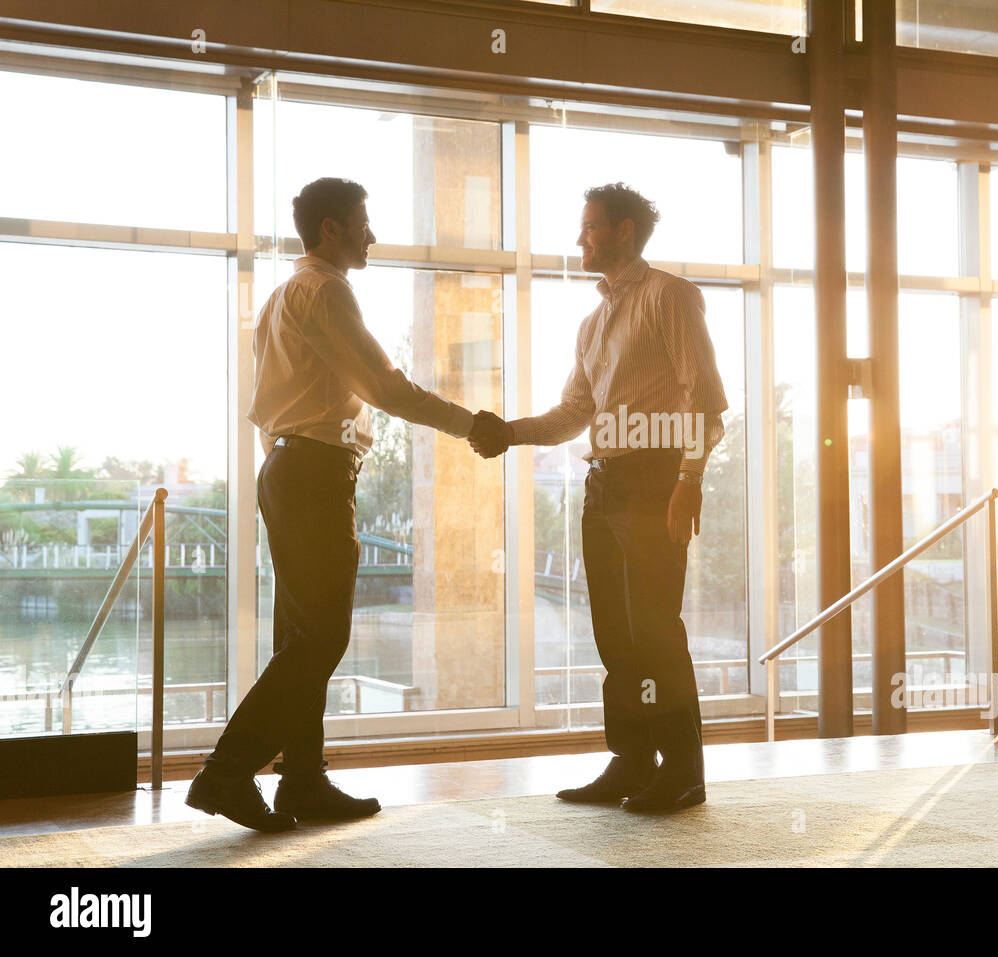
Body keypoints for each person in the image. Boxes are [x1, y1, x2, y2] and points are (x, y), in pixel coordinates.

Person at [186, 177, 498, 832]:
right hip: (315, 472)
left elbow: (267, 400)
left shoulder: (279, 296)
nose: (371, 234)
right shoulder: (326, 290)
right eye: (362, 222)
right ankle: (227, 770)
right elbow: (384, 386)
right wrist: (471, 423)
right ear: (331, 228)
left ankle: (301, 778)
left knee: (303, 636)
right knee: (322, 636)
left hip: (287, 464)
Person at [471, 183, 727, 814]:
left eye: (590, 227)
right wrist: (509, 433)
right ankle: (635, 760)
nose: (580, 238)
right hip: (604, 485)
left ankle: (685, 772)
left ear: (624, 231)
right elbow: (573, 413)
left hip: (655, 478)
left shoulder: (669, 297)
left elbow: (707, 400)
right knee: (615, 636)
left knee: (656, 633)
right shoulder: (593, 323)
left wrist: (688, 482)